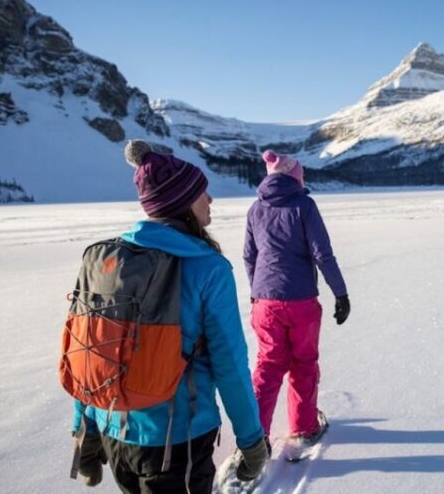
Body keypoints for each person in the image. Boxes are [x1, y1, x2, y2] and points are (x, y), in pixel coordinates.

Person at [69, 140, 269, 493]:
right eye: (202, 193)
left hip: (114, 432)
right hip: (178, 442)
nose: (210, 200)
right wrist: (251, 440)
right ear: (182, 203)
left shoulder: (105, 259)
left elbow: (90, 351)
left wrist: (84, 431)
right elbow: (230, 365)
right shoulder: (207, 268)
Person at [243, 149, 350, 446]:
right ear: (295, 177)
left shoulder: (255, 209)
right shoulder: (305, 205)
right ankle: (304, 427)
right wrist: (340, 293)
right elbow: (322, 254)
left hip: (265, 303)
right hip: (301, 301)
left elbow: (249, 256)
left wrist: (257, 292)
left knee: (268, 365)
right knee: (303, 363)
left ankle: (255, 437)